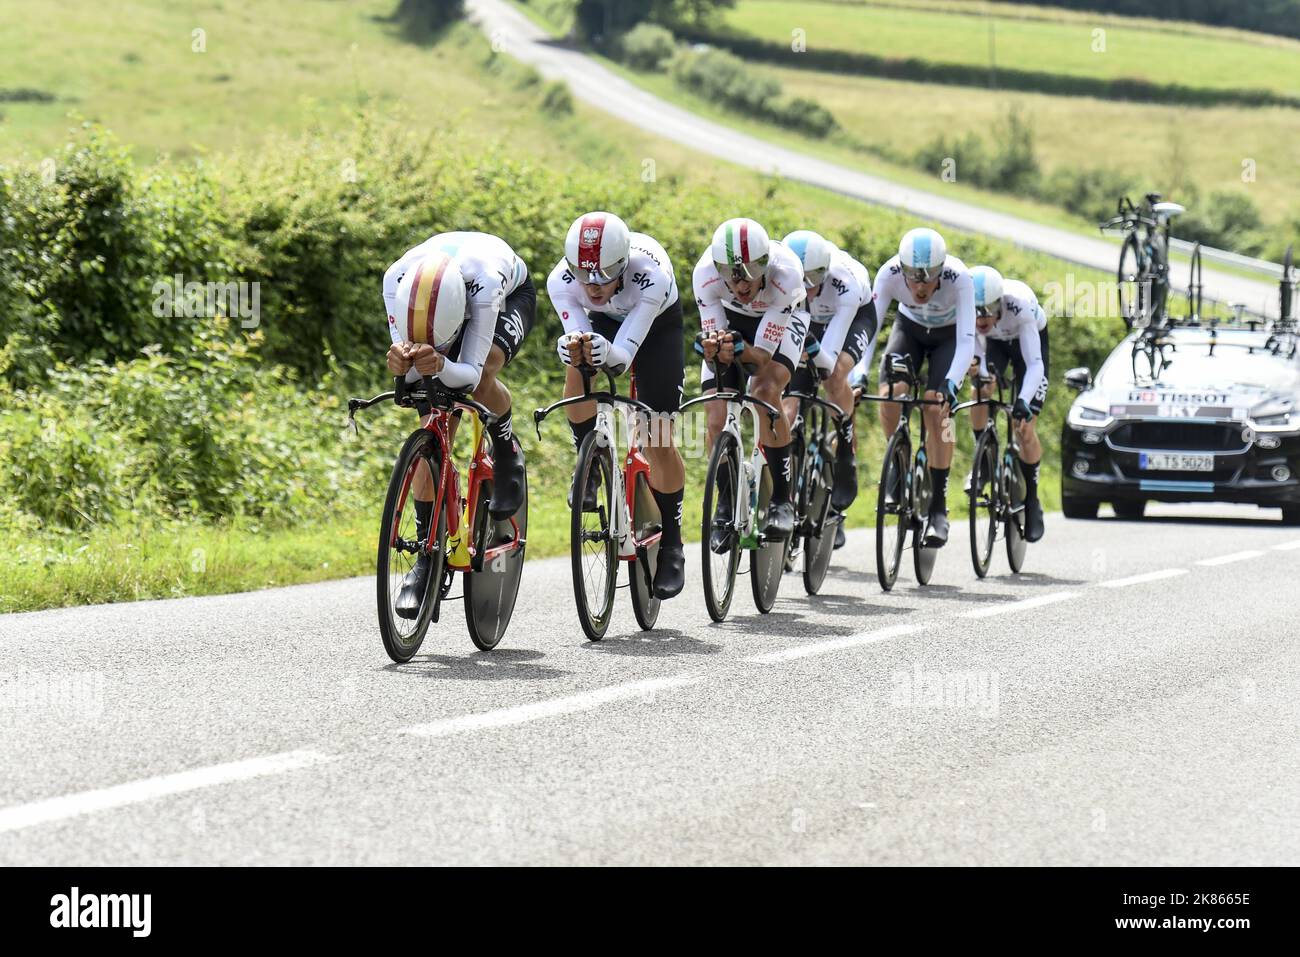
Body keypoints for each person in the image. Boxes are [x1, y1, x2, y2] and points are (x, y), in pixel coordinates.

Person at [383, 231, 534, 617]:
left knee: (482, 381)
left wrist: (444, 363)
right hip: (437, 304)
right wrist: (402, 362)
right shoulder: (394, 280)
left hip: (507, 295)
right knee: (432, 415)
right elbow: (410, 365)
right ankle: (425, 556)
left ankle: (504, 445)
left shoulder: (485, 286)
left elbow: (467, 375)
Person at [550, 212, 687, 599]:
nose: (593, 285)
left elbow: (623, 356)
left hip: (656, 327)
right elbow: (580, 333)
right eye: (583, 273)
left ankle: (673, 545)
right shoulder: (560, 280)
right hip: (607, 322)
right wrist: (573, 345)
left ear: (624, 264)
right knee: (578, 368)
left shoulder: (651, 276)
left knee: (656, 434)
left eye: (605, 273)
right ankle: (589, 461)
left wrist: (603, 350)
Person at [852, 227, 975, 547]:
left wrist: (953, 382)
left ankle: (937, 508)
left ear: (942, 269)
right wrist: (860, 372)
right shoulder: (889, 273)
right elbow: (871, 326)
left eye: (929, 277)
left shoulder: (959, 278)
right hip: (910, 330)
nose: (921, 286)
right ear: (902, 269)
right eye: (914, 277)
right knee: (890, 393)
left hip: (949, 338)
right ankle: (898, 461)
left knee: (937, 410)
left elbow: (966, 340)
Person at [694, 217, 808, 546]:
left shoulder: (787, 276)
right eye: (732, 275)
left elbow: (759, 360)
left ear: (765, 265)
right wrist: (714, 348)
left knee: (764, 390)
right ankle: (726, 500)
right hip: (733, 318)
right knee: (716, 413)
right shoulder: (705, 276)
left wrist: (740, 349)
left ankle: (782, 501)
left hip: (785, 317)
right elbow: (714, 344)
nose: (742, 285)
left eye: (749, 274)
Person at [782, 230, 879, 543]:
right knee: (789, 403)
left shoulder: (845, 284)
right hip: (807, 322)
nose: (806, 288)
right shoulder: (781, 277)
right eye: (800, 280)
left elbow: (826, 360)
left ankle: (845, 450)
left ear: (823, 274)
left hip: (852, 319)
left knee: (834, 375)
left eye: (811, 281)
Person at [969, 265, 1048, 542]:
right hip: (996, 347)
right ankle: (984, 462)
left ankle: (1033, 500)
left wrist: (1023, 401)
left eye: (988, 309)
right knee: (979, 390)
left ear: (999, 301)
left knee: (1024, 427)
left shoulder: (1020, 305)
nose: (982, 316)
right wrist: (981, 375)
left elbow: (1035, 364)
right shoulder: (968, 309)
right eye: (976, 310)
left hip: (1029, 349)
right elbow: (973, 348)